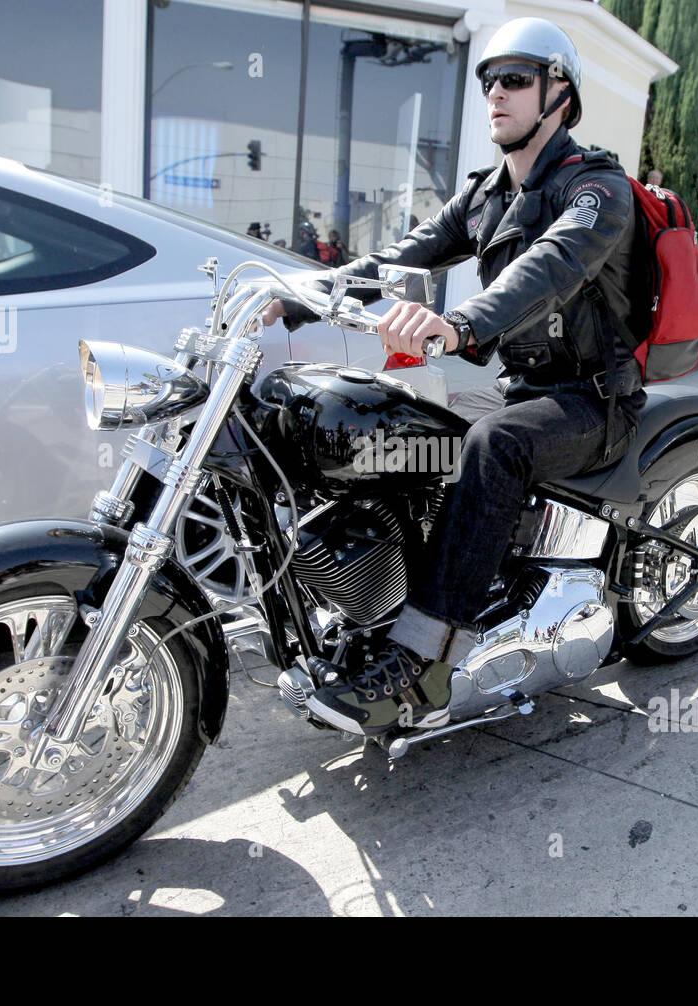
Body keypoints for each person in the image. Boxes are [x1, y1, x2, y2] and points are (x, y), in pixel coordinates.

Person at [260, 17, 645, 736]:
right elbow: (406, 255)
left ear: (559, 92)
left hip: (592, 400)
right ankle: (385, 600)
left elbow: (554, 264)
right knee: (399, 428)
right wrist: (302, 296)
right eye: (488, 80)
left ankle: (425, 661)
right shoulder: (487, 192)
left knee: (493, 445)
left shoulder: (597, 188)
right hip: (524, 389)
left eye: (515, 78)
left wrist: (461, 324)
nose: (495, 93)